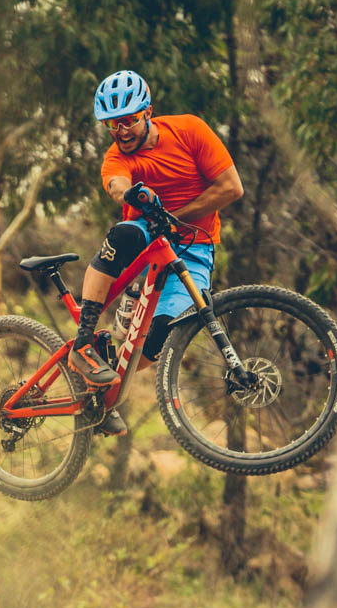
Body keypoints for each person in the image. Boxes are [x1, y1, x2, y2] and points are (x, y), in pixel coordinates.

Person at [66, 69, 245, 436]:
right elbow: (117, 184)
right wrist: (132, 196)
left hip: (195, 247)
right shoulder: (115, 158)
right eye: (112, 124)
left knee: (165, 331)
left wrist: (174, 218)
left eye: (129, 120)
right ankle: (83, 343)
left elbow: (231, 187)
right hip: (144, 244)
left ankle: (100, 391)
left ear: (148, 112)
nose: (121, 131)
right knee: (126, 231)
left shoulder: (190, 130)